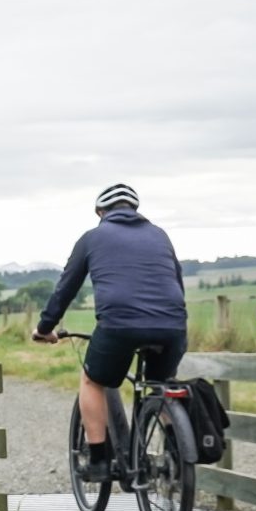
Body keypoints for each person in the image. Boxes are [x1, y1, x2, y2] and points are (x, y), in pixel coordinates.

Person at [34, 184, 190, 480]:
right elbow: (177, 284)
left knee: (93, 380)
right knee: (160, 384)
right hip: (173, 325)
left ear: (100, 213)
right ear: (135, 209)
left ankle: (99, 461)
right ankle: (176, 452)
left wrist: (44, 329)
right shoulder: (160, 235)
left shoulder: (92, 238)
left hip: (119, 325)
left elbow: (65, 288)